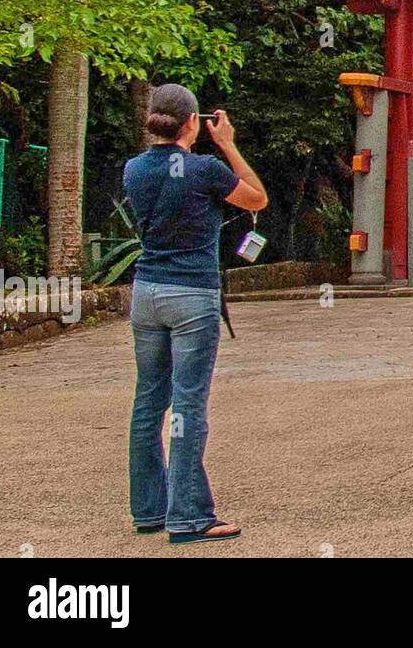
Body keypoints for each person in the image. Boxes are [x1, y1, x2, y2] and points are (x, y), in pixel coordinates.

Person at [123, 83, 268, 544]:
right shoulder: (205, 169)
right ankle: (187, 515)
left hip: (146, 292)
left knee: (149, 401)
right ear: (192, 123)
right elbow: (256, 197)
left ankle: (150, 509)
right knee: (188, 404)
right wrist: (227, 144)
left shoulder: (133, 170)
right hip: (191, 295)